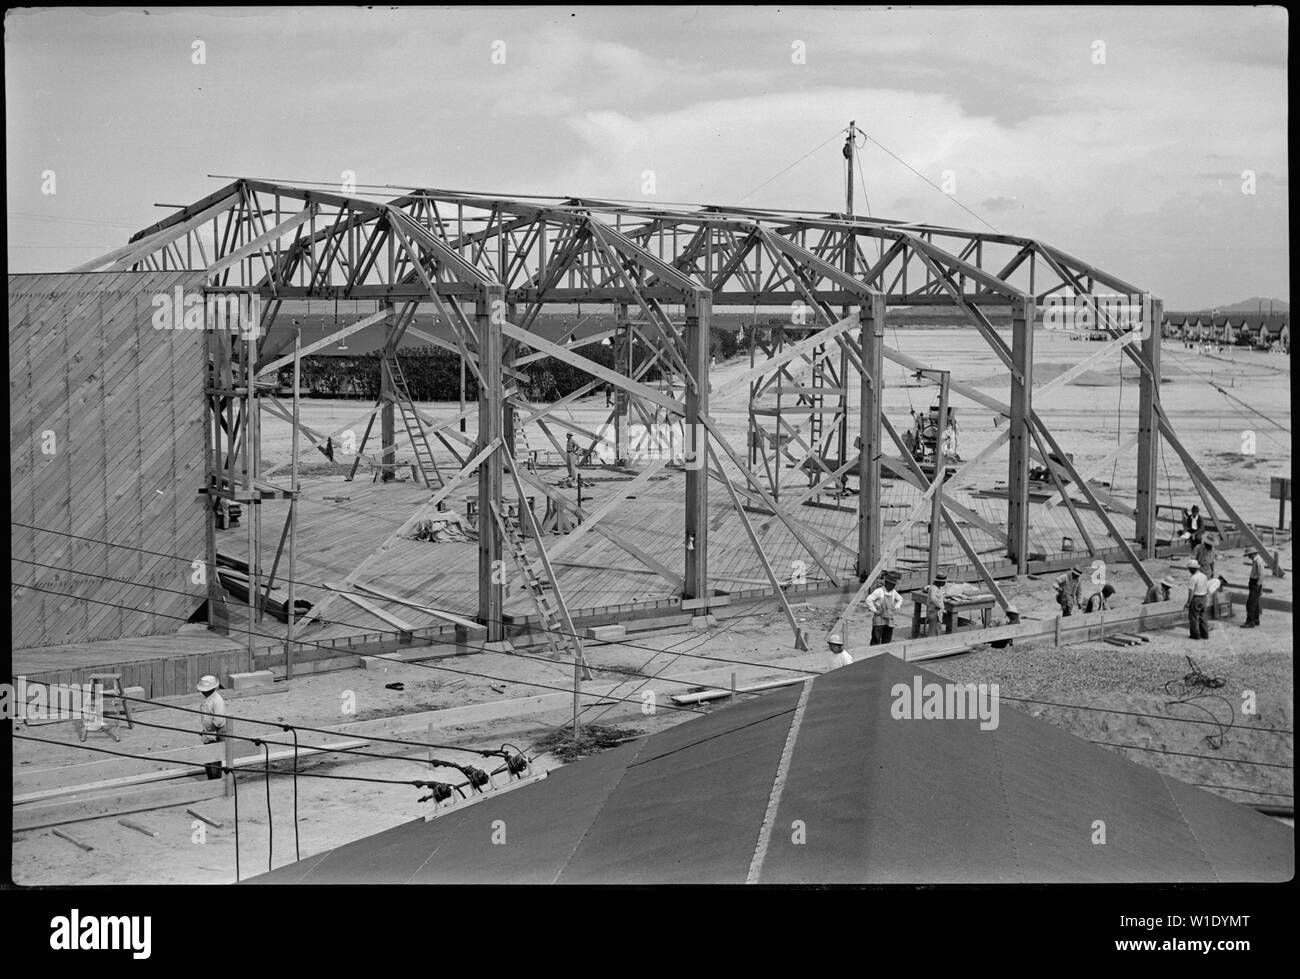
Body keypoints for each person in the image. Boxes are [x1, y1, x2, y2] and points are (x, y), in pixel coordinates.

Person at [864, 570, 904, 645]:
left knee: (887, 640)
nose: (893, 586)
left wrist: (896, 607)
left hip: (889, 620)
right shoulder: (879, 591)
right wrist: (875, 610)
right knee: (876, 640)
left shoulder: (893, 592)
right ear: (887, 583)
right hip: (879, 619)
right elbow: (868, 600)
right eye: (891, 585)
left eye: (894, 585)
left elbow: (900, 599)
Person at [1185, 559, 1210, 640]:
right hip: (1204, 597)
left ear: (1192, 569)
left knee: (1193, 617)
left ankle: (1195, 635)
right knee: (1203, 617)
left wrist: (1188, 602)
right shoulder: (1204, 576)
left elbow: (1191, 591)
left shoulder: (1193, 578)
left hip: (1196, 598)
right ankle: (1205, 634)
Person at [1243, 548, 1265, 628]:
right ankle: (1256, 620)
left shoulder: (1258, 561)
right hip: (1254, 582)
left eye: (1249, 555)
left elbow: (1261, 575)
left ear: (1252, 554)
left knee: (1250, 604)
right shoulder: (1256, 560)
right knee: (1255, 603)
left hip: (1255, 583)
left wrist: (1257, 585)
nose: (1248, 557)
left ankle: (1250, 622)